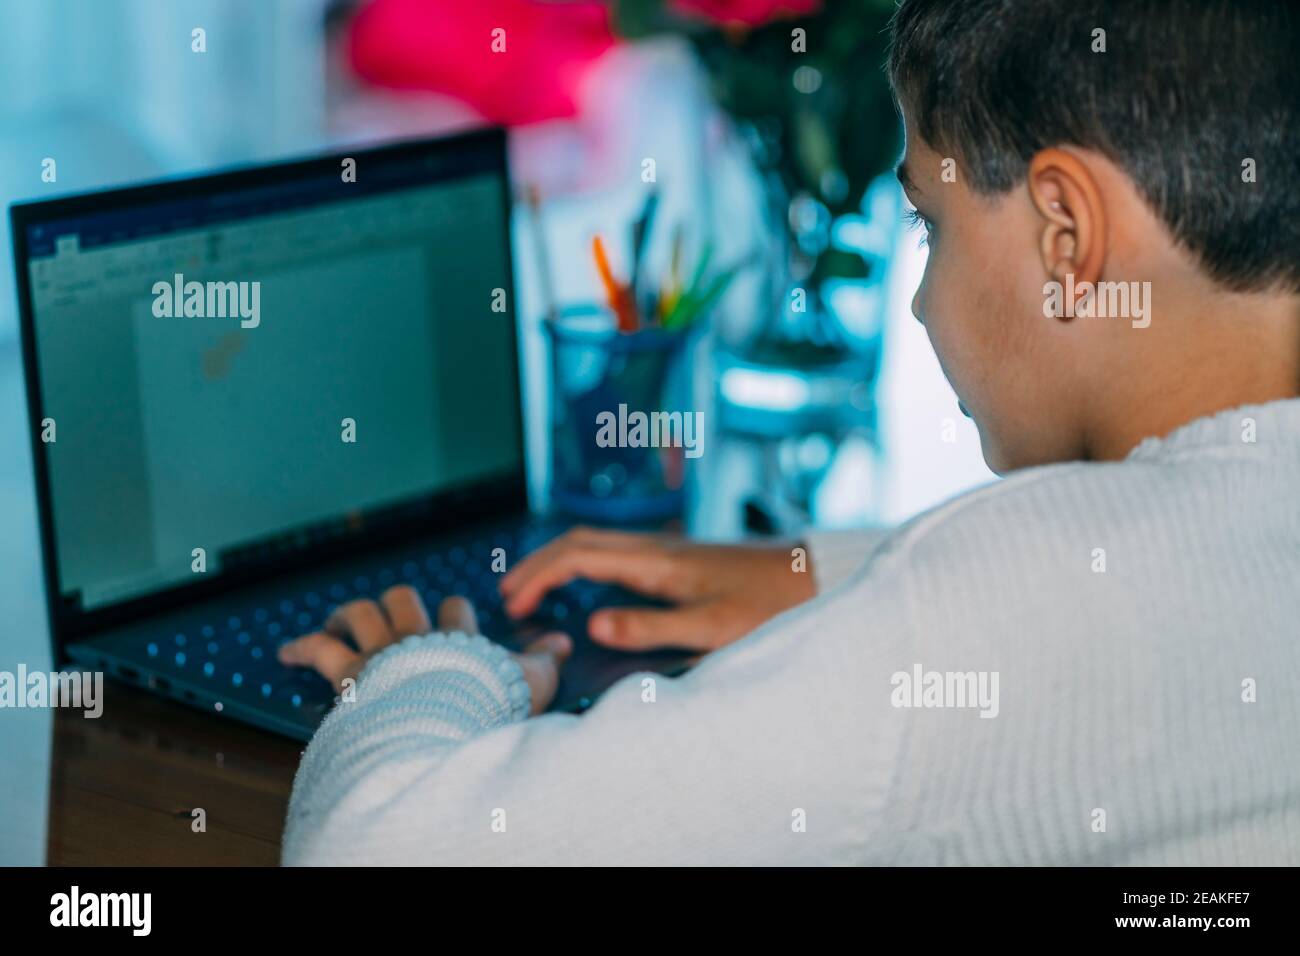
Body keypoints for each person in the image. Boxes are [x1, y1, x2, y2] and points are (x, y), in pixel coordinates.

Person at [279, 0, 1300, 865]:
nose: (917, 306)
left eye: (929, 225)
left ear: (1067, 236)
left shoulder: (988, 613)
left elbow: (374, 848)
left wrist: (431, 667)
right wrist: (832, 571)